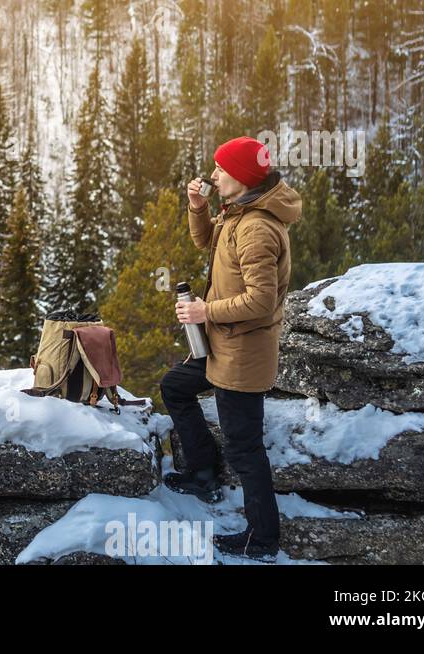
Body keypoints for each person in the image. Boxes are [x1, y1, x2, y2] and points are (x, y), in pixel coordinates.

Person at [160, 136, 302, 561]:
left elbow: (261, 301)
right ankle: (203, 472)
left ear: (241, 177)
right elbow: (207, 244)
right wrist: (199, 209)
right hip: (222, 345)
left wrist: (207, 311)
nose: (214, 175)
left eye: (221, 169)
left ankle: (261, 540)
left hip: (241, 355)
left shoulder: (257, 227)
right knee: (175, 387)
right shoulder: (238, 212)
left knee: (244, 448)